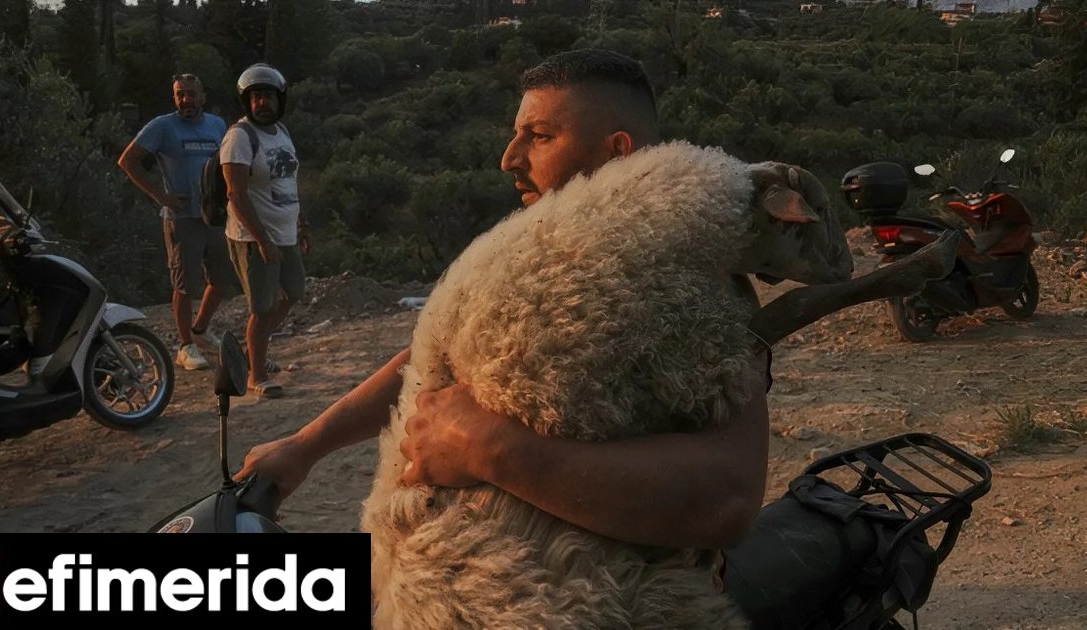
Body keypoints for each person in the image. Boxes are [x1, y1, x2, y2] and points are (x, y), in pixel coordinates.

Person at [238, 50, 779, 550]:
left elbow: (728, 497)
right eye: (515, 135)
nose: (509, 158)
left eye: (539, 136)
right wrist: (306, 445)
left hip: (595, 597)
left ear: (618, 151)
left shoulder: (694, 278)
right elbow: (433, 361)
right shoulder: (536, 252)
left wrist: (489, 451)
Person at [118, 73, 237, 371]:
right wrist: (161, 196)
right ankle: (185, 346)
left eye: (191, 94)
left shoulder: (216, 125)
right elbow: (127, 161)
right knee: (184, 285)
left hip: (214, 216)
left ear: (202, 96)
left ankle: (200, 331)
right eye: (180, 94)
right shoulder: (162, 126)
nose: (186, 100)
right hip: (182, 219)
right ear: (174, 98)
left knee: (222, 280)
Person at [220, 63, 310, 399]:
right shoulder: (239, 138)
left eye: (268, 96)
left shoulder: (281, 131)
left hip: (285, 231)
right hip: (253, 237)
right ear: (247, 101)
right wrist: (262, 240)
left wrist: (302, 224)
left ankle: (251, 352)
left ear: (279, 99)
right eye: (256, 97)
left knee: (294, 291)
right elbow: (236, 194)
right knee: (262, 307)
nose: (262, 103)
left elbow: (289, 182)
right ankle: (255, 375)